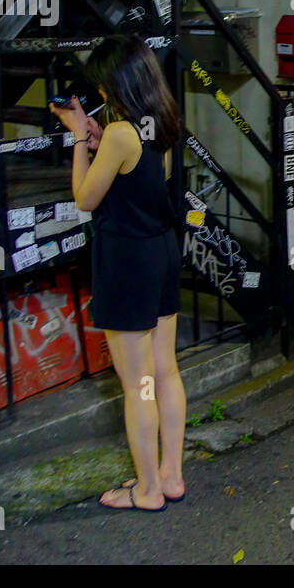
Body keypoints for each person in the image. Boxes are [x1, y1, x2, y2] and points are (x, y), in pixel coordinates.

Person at [49, 35, 185, 512]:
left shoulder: (121, 134)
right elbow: (144, 181)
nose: (101, 91)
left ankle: (146, 491)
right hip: (163, 251)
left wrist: (78, 141)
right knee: (165, 371)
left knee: (138, 383)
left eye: (104, 83)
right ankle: (170, 475)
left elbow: (85, 199)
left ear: (118, 82)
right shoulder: (161, 125)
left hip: (127, 260)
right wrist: (95, 136)